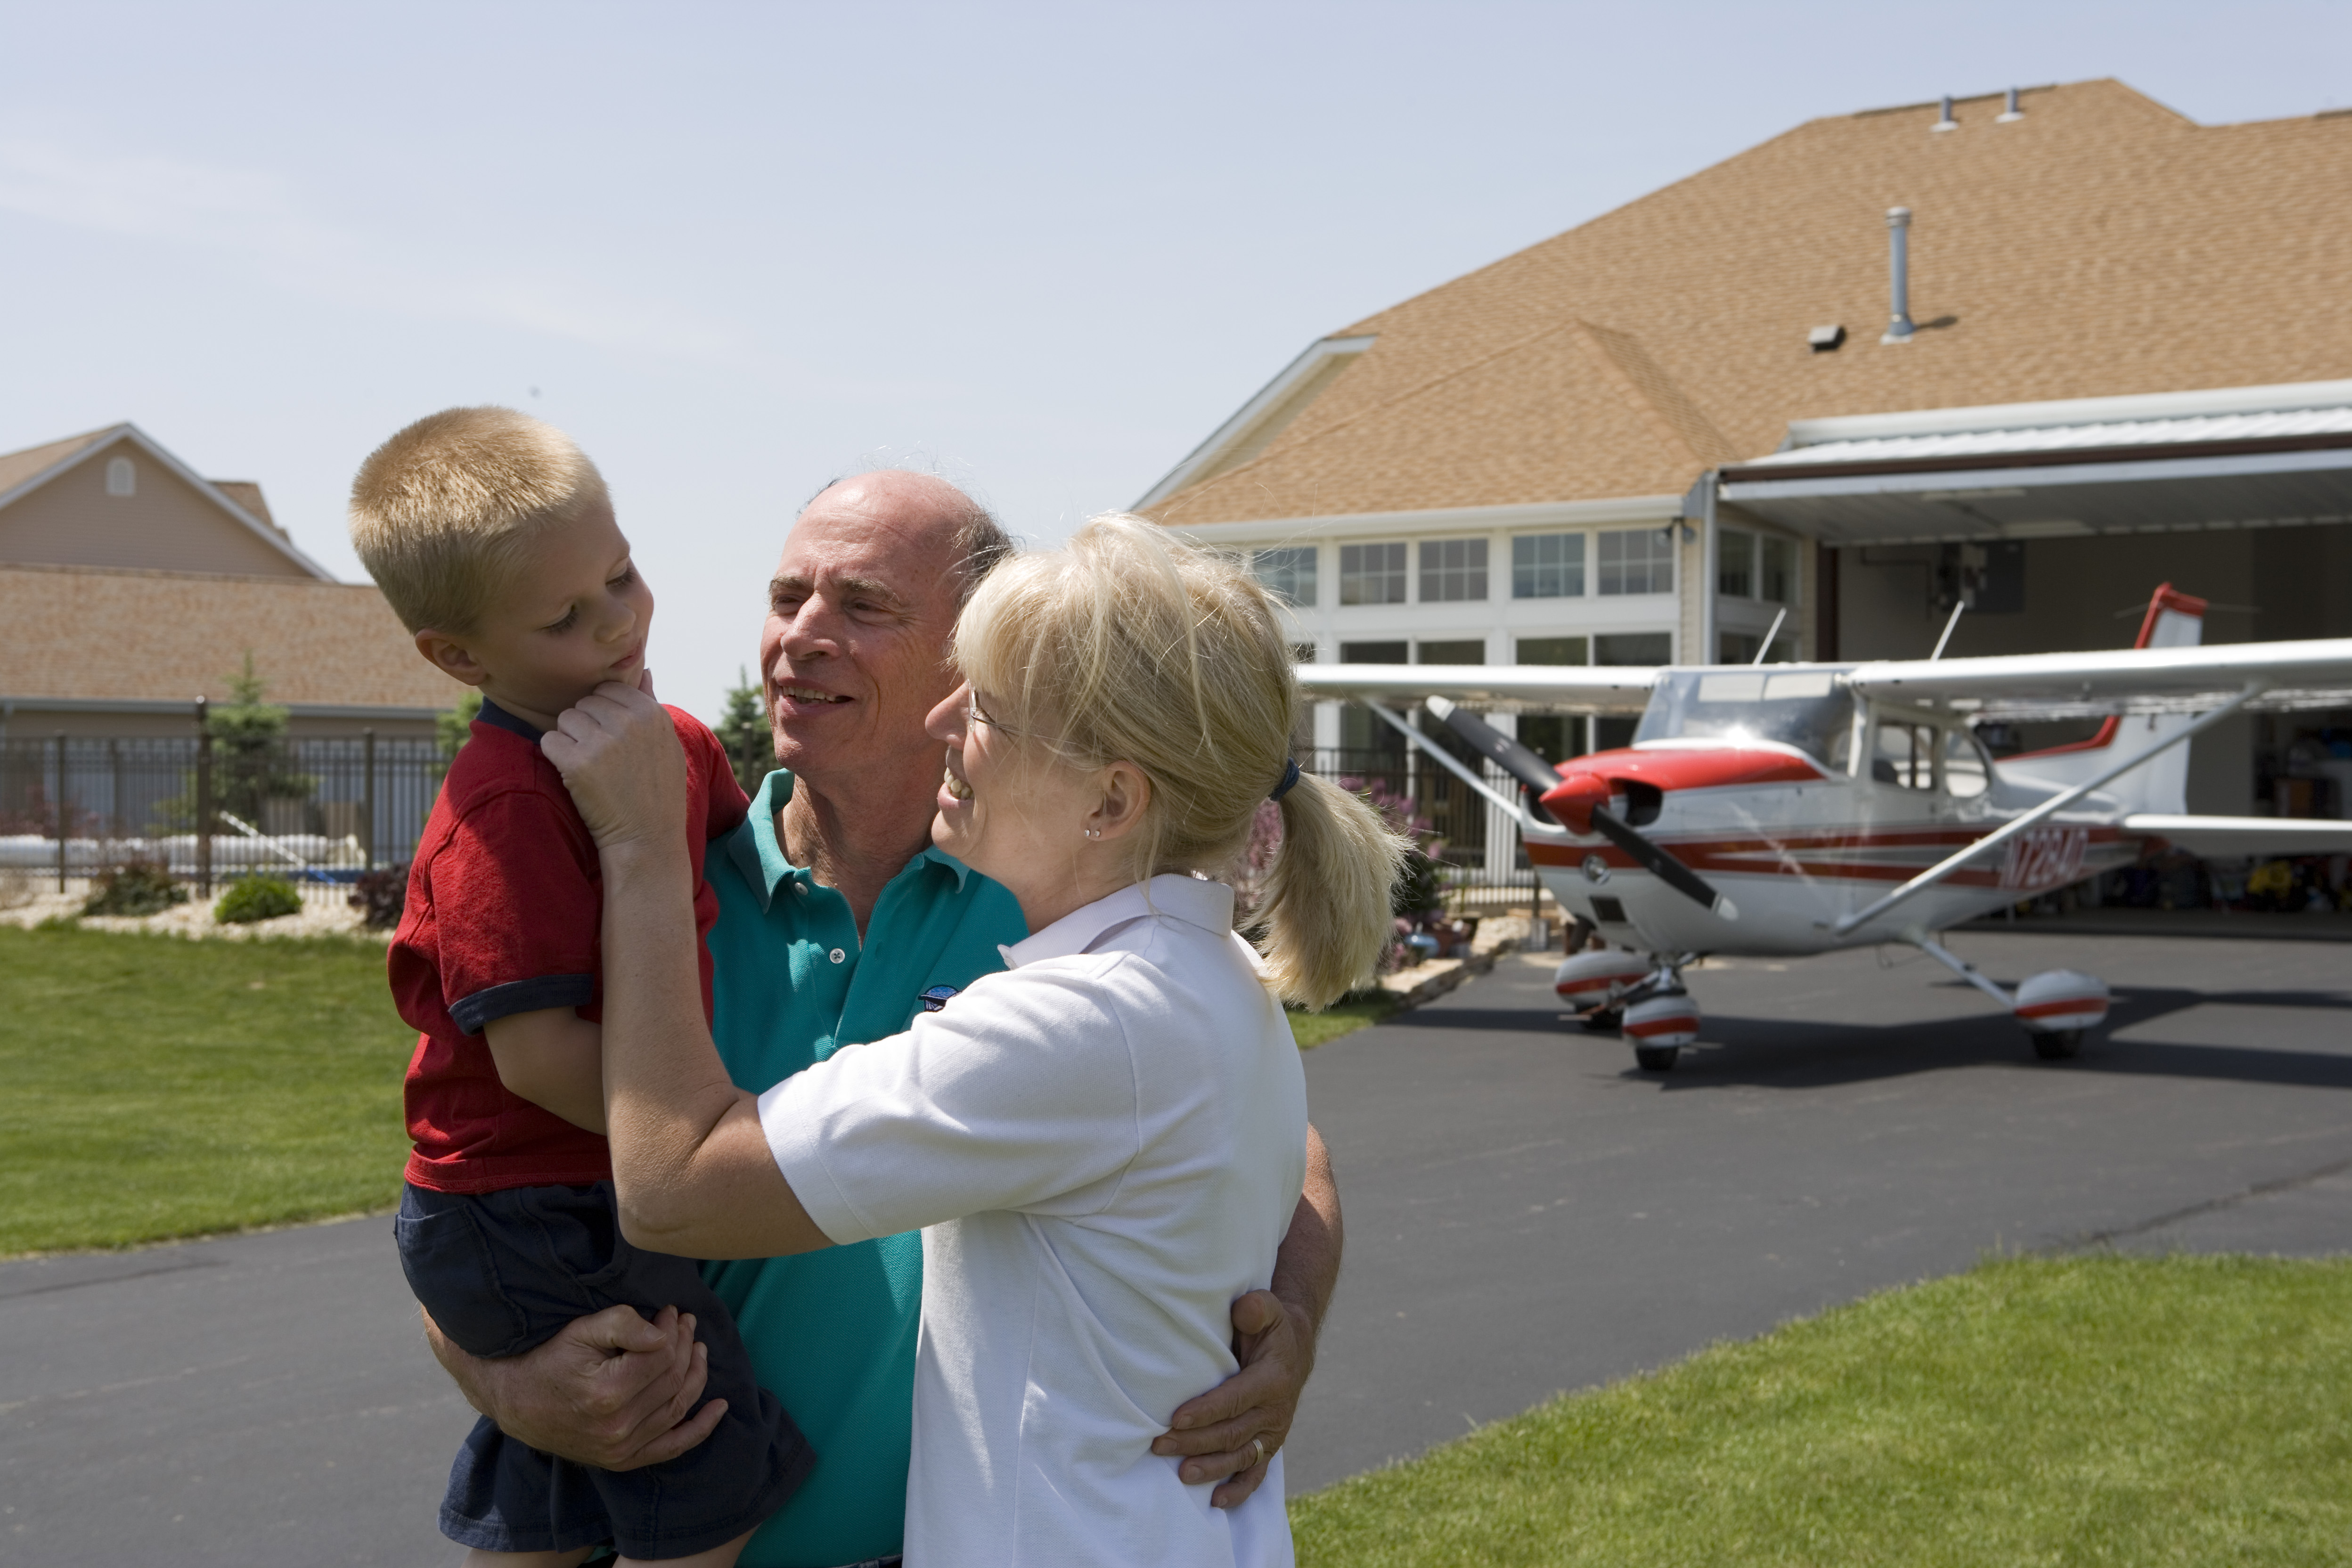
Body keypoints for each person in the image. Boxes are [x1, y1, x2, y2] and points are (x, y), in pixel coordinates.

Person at [426, 474, 1347, 1568]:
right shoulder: (648, 901)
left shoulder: (1064, 919)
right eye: (785, 596)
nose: (801, 636)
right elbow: (466, 1177)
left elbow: (1285, 1154)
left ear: (977, 656)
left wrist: (1283, 1315)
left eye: (863, 606)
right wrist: (502, 1377)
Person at [349, 407, 811, 1566]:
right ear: (459, 655)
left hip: (564, 1190)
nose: (617, 624)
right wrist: (713, 1122)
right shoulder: (502, 807)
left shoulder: (677, 738)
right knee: (701, 1445)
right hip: (520, 1201)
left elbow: (755, 869)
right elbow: (537, 1054)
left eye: (623, 576)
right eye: (564, 616)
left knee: (576, 1473)